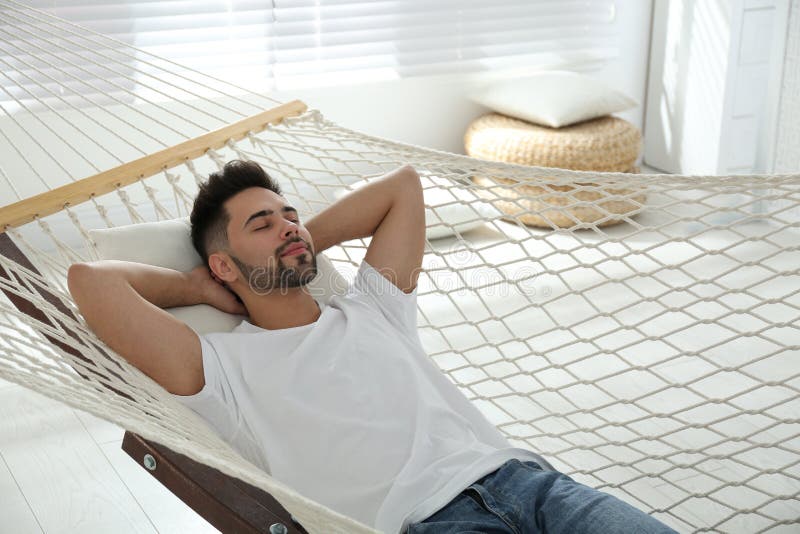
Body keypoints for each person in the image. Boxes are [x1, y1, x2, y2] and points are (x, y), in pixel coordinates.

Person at [68, 160, 677, 534]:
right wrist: (195, 284)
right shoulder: (222, 370)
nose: (287, 223)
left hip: (532, 485)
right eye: (263, 222)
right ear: (223, 263)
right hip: (435, 525)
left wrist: (295, 243)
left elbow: (402, 188)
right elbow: (89, 282)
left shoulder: (371, 308)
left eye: (291, 214)